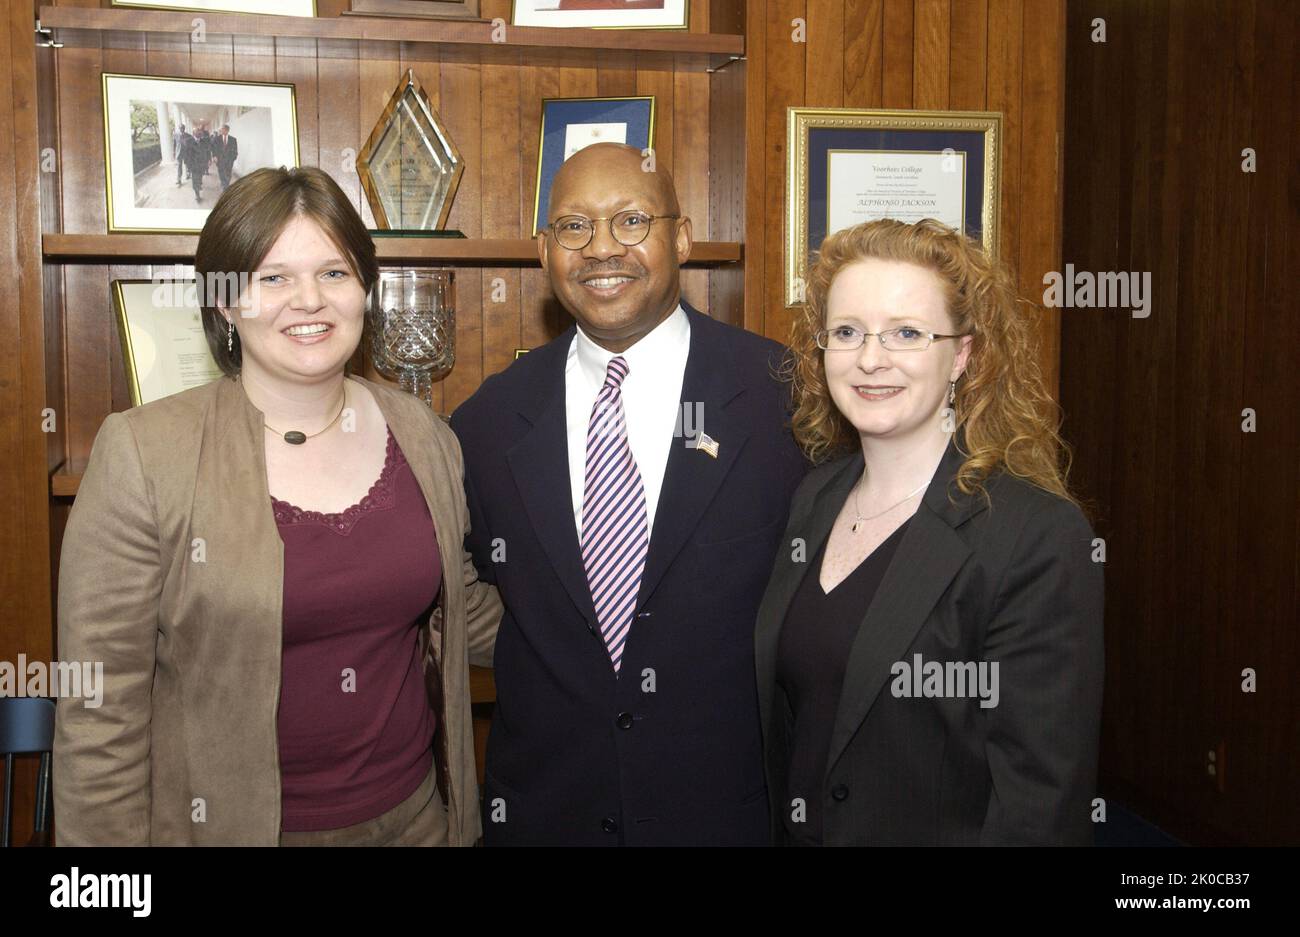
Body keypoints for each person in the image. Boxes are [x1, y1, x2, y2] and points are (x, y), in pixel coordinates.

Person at [54, 166, 501, 846]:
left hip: (418, 823)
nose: (308, 300)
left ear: (364, 289)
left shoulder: (425, 436)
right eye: (273, 277)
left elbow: (464, 606)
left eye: (333, 273)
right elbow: (98, 706)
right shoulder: (147, 454)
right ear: (226, 303)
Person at [451, 143, 807, 845]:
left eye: (631, 221)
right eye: (574, 227)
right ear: (545, 252)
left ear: (680, 238)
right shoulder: (488, 421)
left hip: (729, 817)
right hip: (545, 817)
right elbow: (464, 589)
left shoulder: (784, 399)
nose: (602, 249)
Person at [755, 217, 1104, 845]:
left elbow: (1039, 804)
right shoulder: (814, 499)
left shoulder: (1034, 535)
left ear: (962, 355)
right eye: (847, 332)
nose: (870, 358)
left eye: (907, 333)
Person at [211, 123, 239, 192]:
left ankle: (225, 184)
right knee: (221, 173)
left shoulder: (233, 139)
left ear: (227, 130)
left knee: (228, 173)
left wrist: (233, 158)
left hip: (229, 161)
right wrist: (214, 156)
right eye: (221, 129)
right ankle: (224, 185)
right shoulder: (216, 139)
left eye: (223, 129)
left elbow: (235, 150)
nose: (221, 130)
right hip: (220, 160)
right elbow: (213, 148)